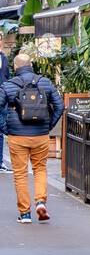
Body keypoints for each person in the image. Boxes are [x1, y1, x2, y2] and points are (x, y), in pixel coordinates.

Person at [1, 52, 63, 223]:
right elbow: (60, 106)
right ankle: (41, 202)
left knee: (20, 174)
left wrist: (5, 128)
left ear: (15, 67)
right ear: (31, 65)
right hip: (40, 135)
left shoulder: (8, 85)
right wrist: (48, 126)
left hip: (17, 136)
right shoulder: (45, 82)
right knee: (40, 169)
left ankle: (25, 214)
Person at [0, 42, 11, 173]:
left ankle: (0, 161)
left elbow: (6, 76)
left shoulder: (3, 57)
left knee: (0, 131)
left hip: (1, 96)